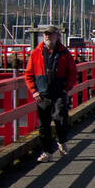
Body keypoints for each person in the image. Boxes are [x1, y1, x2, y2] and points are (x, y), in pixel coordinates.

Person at [24, 25, 77, 162]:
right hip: (42, 93)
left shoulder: (64, 53)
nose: (47, 36)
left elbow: (72, 72)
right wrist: (34, 91)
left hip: (59, 91)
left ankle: (61, 141)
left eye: (50, 34)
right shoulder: (36, 52)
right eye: (46, 34)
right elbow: (29, 73)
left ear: (57, 36)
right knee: (44, 124)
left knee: (60, 117)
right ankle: (47, 152)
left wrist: (67, 88)